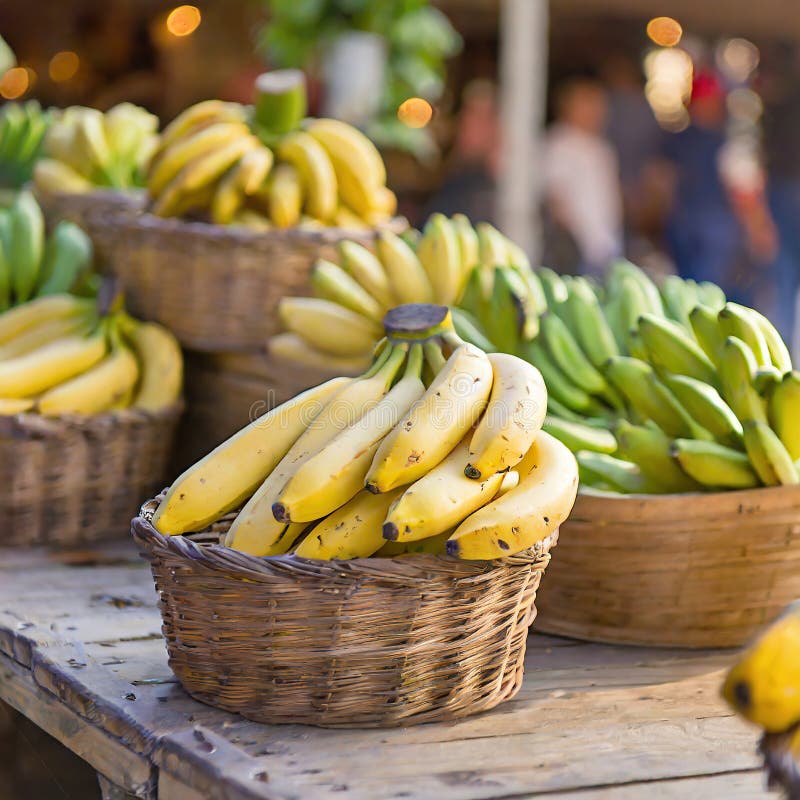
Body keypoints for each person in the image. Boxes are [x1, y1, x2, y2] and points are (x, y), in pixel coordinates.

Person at [541, 77, 623, 276]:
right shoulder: (559, 143)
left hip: (606, 249)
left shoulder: (602, 148)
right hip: (577, 252)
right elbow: (555, 196)